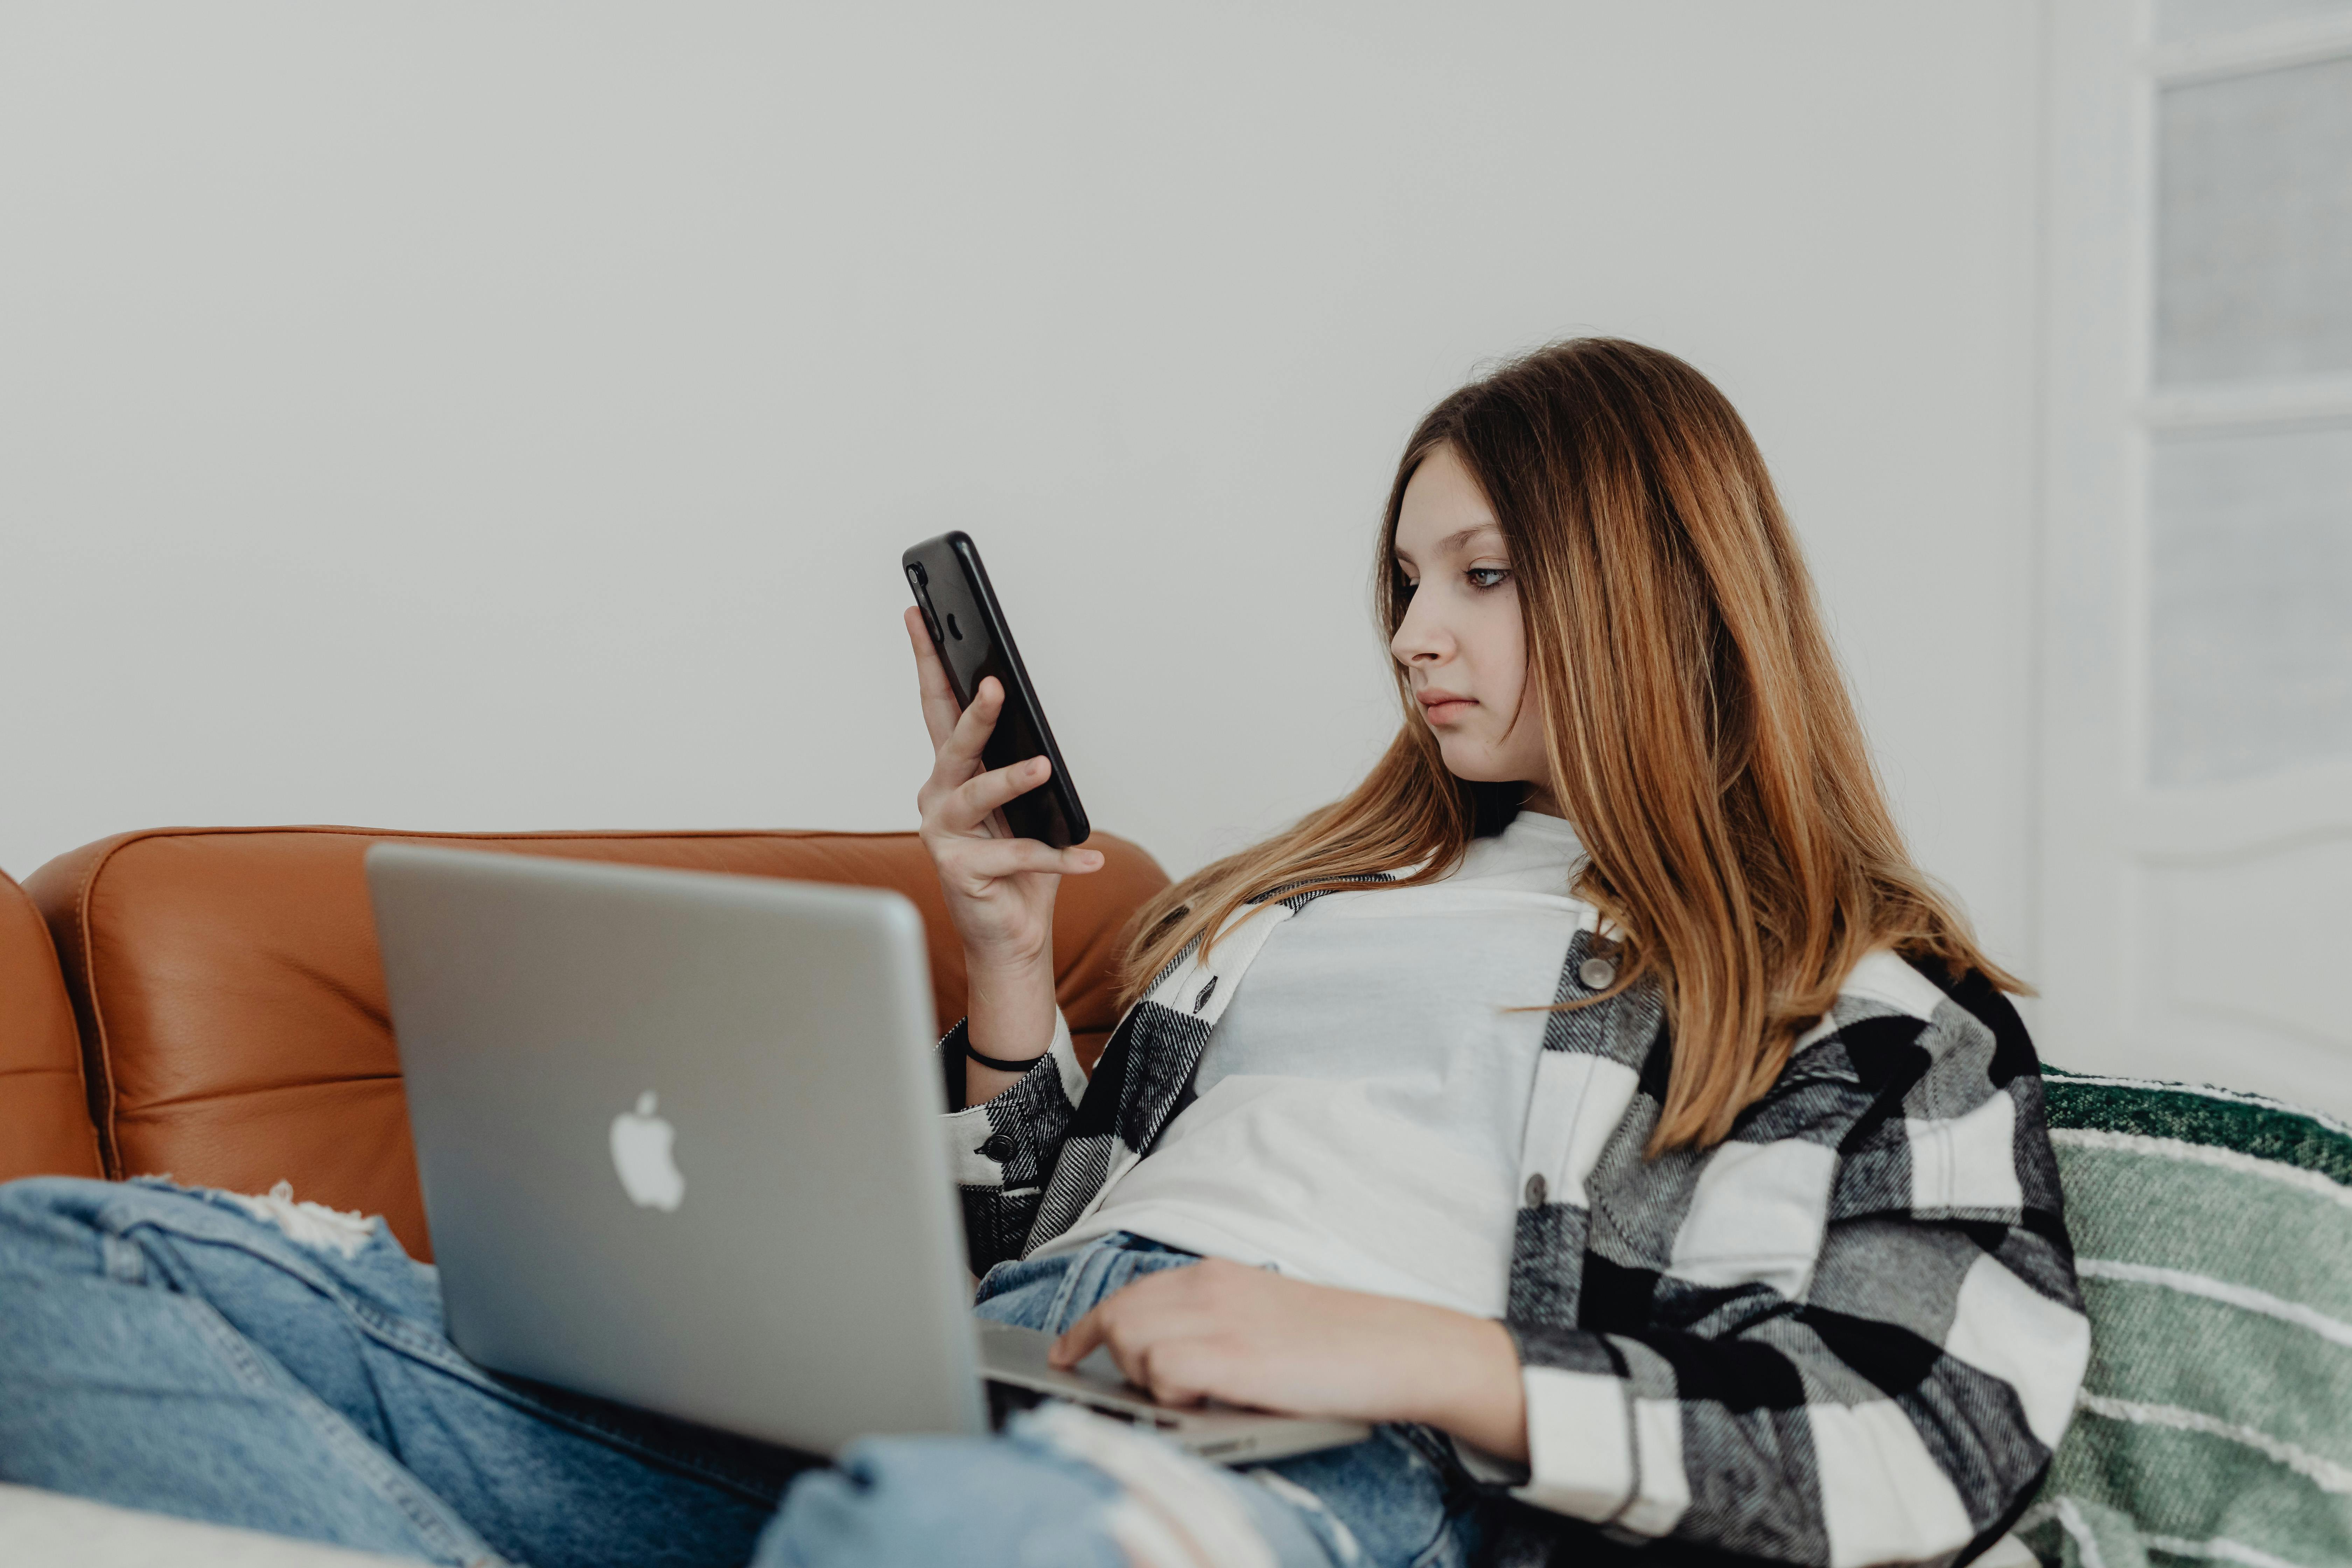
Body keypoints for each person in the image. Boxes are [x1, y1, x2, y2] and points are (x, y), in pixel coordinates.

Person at [0, 338, 2089, 1568]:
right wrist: (1009, 963)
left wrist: (1417, 1360)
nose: (1413, 634)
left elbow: (1942, 1433)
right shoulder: (1295, 905)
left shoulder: (1866, 1004)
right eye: (1398, 579)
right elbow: (1052, 1224)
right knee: (65, 1260)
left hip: (1319, 1463)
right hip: (995, 1364)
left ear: (1660, 586)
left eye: (1479, 573)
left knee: (923, 1541)